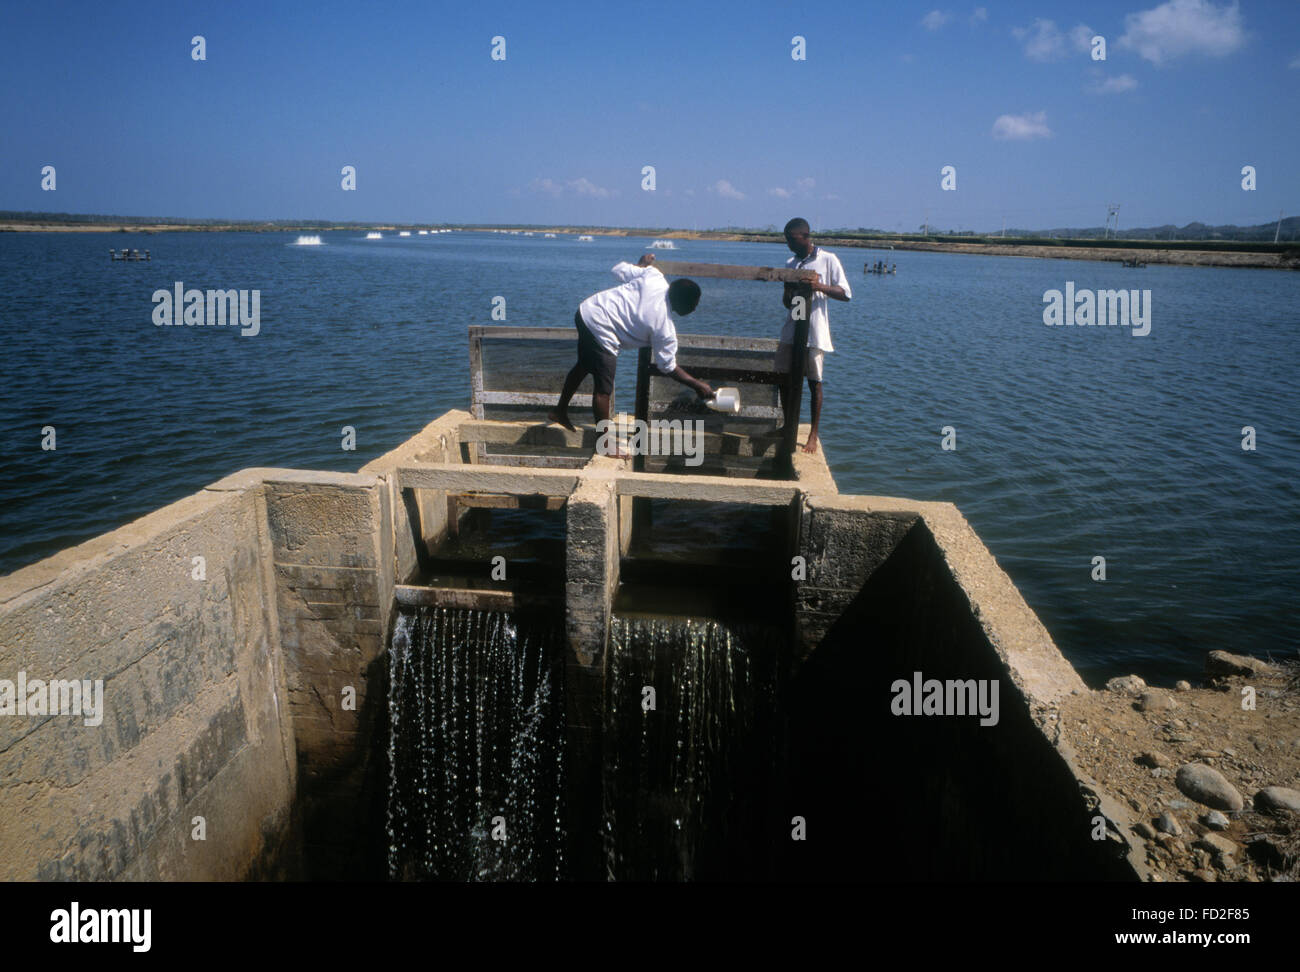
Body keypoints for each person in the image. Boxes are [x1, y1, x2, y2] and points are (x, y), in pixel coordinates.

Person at [549, 254, 714, 451]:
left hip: (587, 310)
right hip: (603, 328)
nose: (694, 309)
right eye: (694, 305)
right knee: (604, 389)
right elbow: (667, 366)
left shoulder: (654, 276)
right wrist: (697, 384)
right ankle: (606, 444)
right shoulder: (664, 327)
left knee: (584, 365)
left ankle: (560, 411)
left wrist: (642, 265)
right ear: (683, 303)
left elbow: (617, 269)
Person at [776, 218, 851, 454]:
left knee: (814, 382)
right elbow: (787, 302)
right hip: (793, 324)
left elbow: (845, 293)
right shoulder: (791, 262)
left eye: (792, 240)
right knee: (782, 376)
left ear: (805, 236)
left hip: (815, 329)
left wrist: (818, 287)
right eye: (787, 240)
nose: (789, 244)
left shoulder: (827, 259)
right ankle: (788, 425)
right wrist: (789, 290)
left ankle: (813, 435)